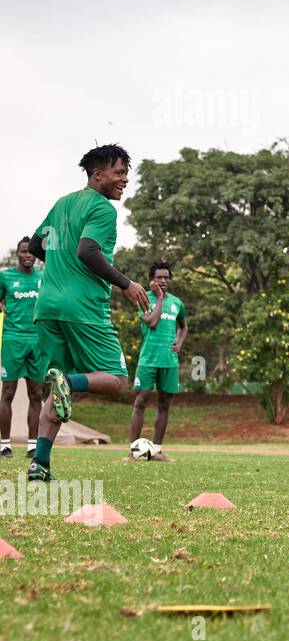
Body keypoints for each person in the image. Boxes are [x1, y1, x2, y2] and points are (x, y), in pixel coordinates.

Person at [24, 144, 149, 481]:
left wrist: (60, 268)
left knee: (55, 391)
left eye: (126, 173)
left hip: (47, 306)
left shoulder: (63, 203)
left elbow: (36, 246)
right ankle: (70, 381)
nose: (124, 180)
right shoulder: (103, 210)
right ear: (98, 174)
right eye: (118, 173)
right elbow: (88, 251)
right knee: (115, 378)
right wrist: (126, 283)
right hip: (83, 308)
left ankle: (40, 464)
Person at [129, 261, 187, 451]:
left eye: (166, 278)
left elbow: (183, 326)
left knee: (164, 405)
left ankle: (158, 449)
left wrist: (179, 342)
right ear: (151, 280)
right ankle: (133, 450)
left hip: (169, 361)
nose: (163, 281)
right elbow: (152, 322)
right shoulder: (144, 299)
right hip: (148, 359)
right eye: (159, 277)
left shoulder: (177, 302)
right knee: (140, 402)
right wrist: (160, 298)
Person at [0, 237, 45, 458]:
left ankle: (33, 445)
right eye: (24, 252)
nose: (28, 255)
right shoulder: (5, 276)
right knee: (7, 392)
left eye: (31, 253)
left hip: (38, 341)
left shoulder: (43, 277)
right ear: (17, 253)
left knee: (36, 394)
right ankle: (5, 445)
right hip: (12, 339)